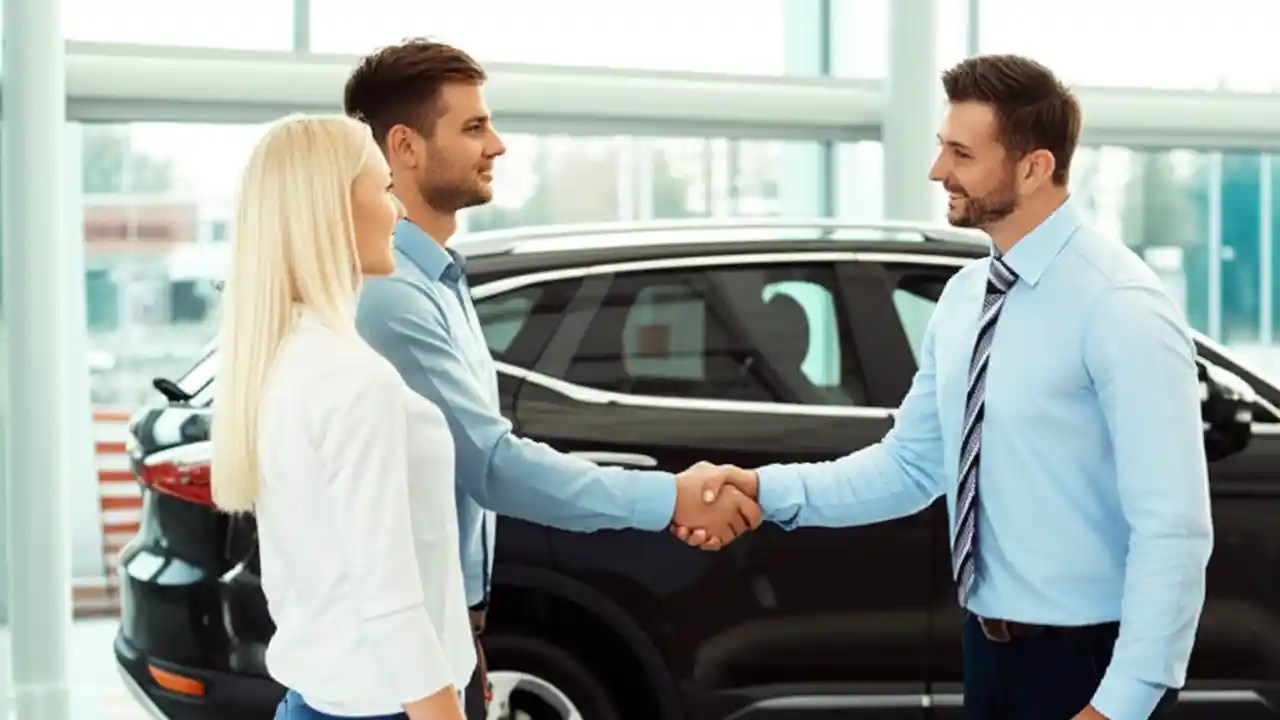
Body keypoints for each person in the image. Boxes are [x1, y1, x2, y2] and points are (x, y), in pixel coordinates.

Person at [680, 54, 1214, 720]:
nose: (938, 172)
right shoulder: (967, 299)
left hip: (1090, 667)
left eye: (961, 153)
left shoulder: (1120, 307)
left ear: (1034, 166)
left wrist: (1123, 703)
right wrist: (766, 492)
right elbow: (910, 466)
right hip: (989, 651)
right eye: (941, 148)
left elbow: (1174, 529)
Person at [341, 39, 762, 718]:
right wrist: (671, 498)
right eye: (473, 126)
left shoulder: (439, 280)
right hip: (402, 656)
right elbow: (491, 467)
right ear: (404, 146)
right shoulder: (394, 298)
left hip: (447, 634)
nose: (497, 145)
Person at [209, 114, 473, 720]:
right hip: (388, 706)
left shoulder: (281, 360)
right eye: (384, 188)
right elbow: (388, 594)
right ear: (331, 209)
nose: (400, 211)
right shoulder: (357, 380)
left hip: (318, 699)